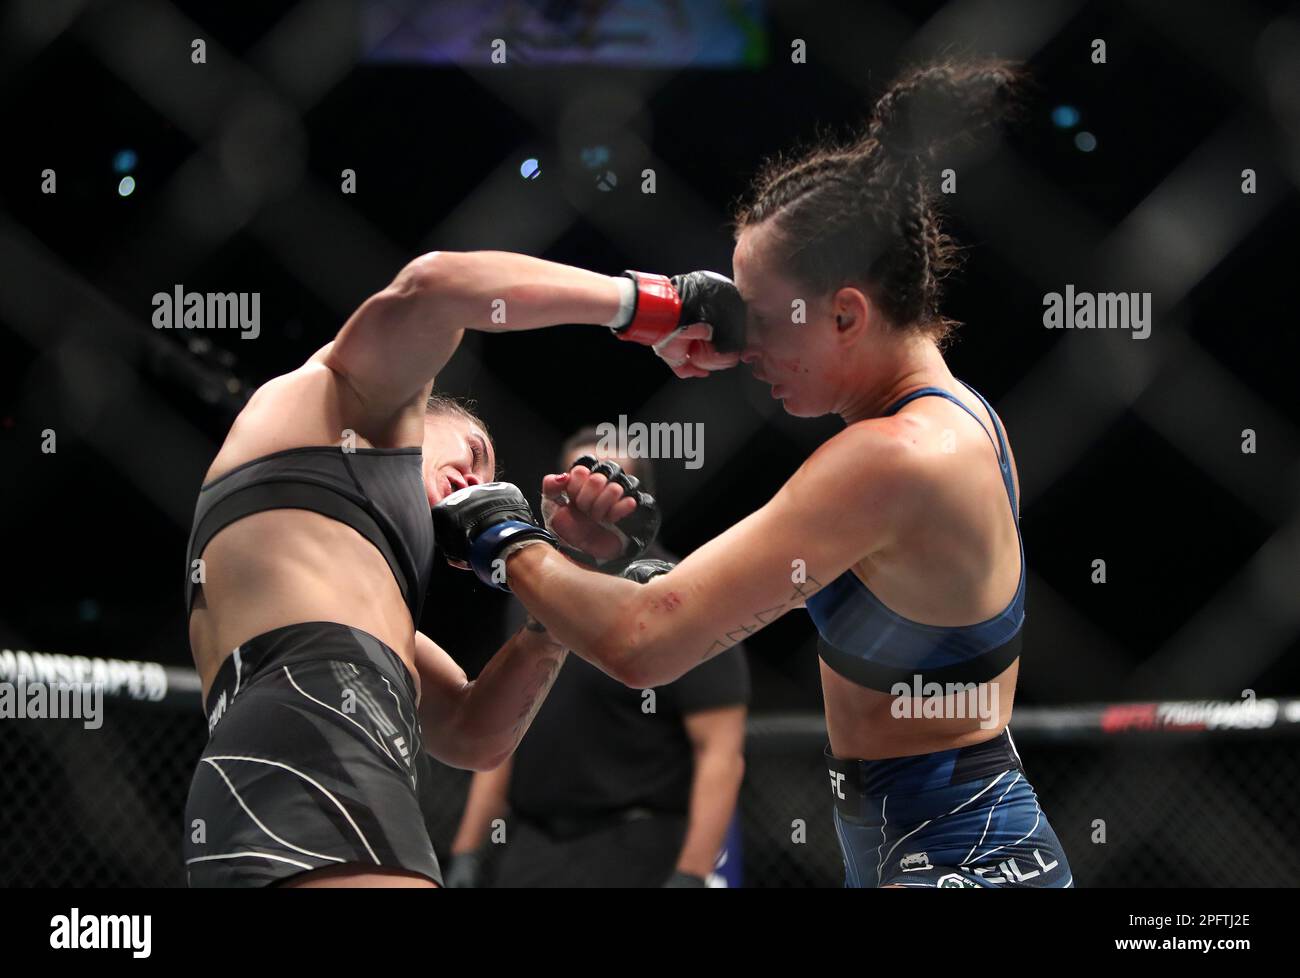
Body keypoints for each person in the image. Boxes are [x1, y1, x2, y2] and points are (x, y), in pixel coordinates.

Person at [432, 60, 1074, 888]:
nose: (748, 350)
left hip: (958, 854)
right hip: (935, 835)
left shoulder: (889, 459)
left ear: (846, 313)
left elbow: (643, 644)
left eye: (762, 320)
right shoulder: (957, 419)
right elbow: (723, 596)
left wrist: (498, 531)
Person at [180, 250, 702, 887]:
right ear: (415, 409)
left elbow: (471, 734)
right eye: (475, 453)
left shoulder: (350, 593)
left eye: (487, 482)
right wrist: (657, 305)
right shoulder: (334, 400)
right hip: (314, 759)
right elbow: (436, 286)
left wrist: (559, 581)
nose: (475, 485)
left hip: (272, 778)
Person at [444, 433, 748, 888]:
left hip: (636, 848)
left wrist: (691, 873)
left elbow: (720, 753)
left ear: (639, 501)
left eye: (607, 484)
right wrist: (467, 851)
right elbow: (503, 731)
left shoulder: (680, 594)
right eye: (576, 485)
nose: (587, 501)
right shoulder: (531, 590)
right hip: (534, 846)